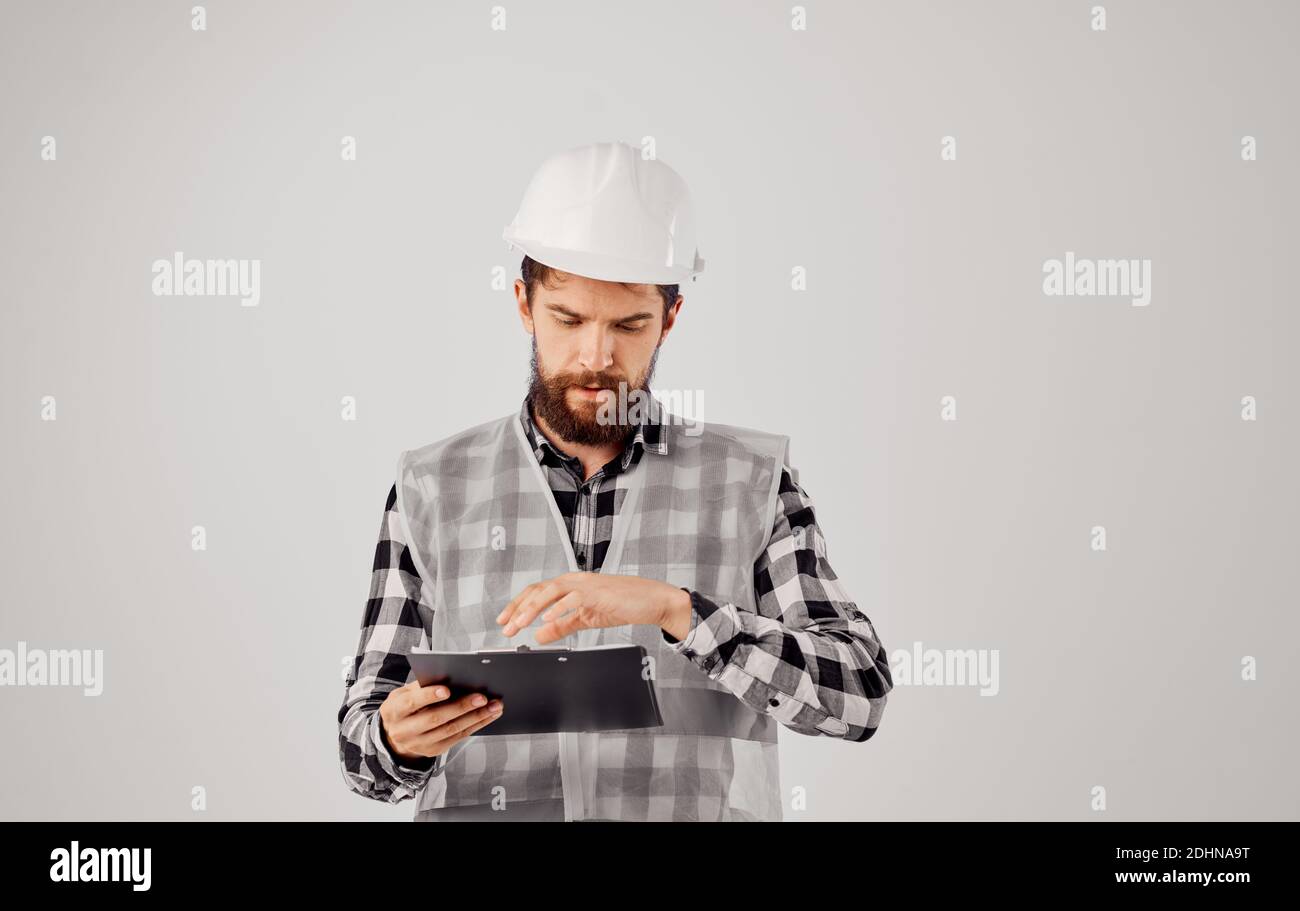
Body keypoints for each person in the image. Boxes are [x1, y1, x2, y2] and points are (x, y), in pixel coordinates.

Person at [338, 140, 892, 821]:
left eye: (629, 324)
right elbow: (362, 753)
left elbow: (859, 694)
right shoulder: (432, 487)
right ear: (523, 304)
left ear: (670, 318)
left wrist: (677, 611)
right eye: (567, 320)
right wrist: (397, 738)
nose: (596, 356)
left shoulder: (750, 482)